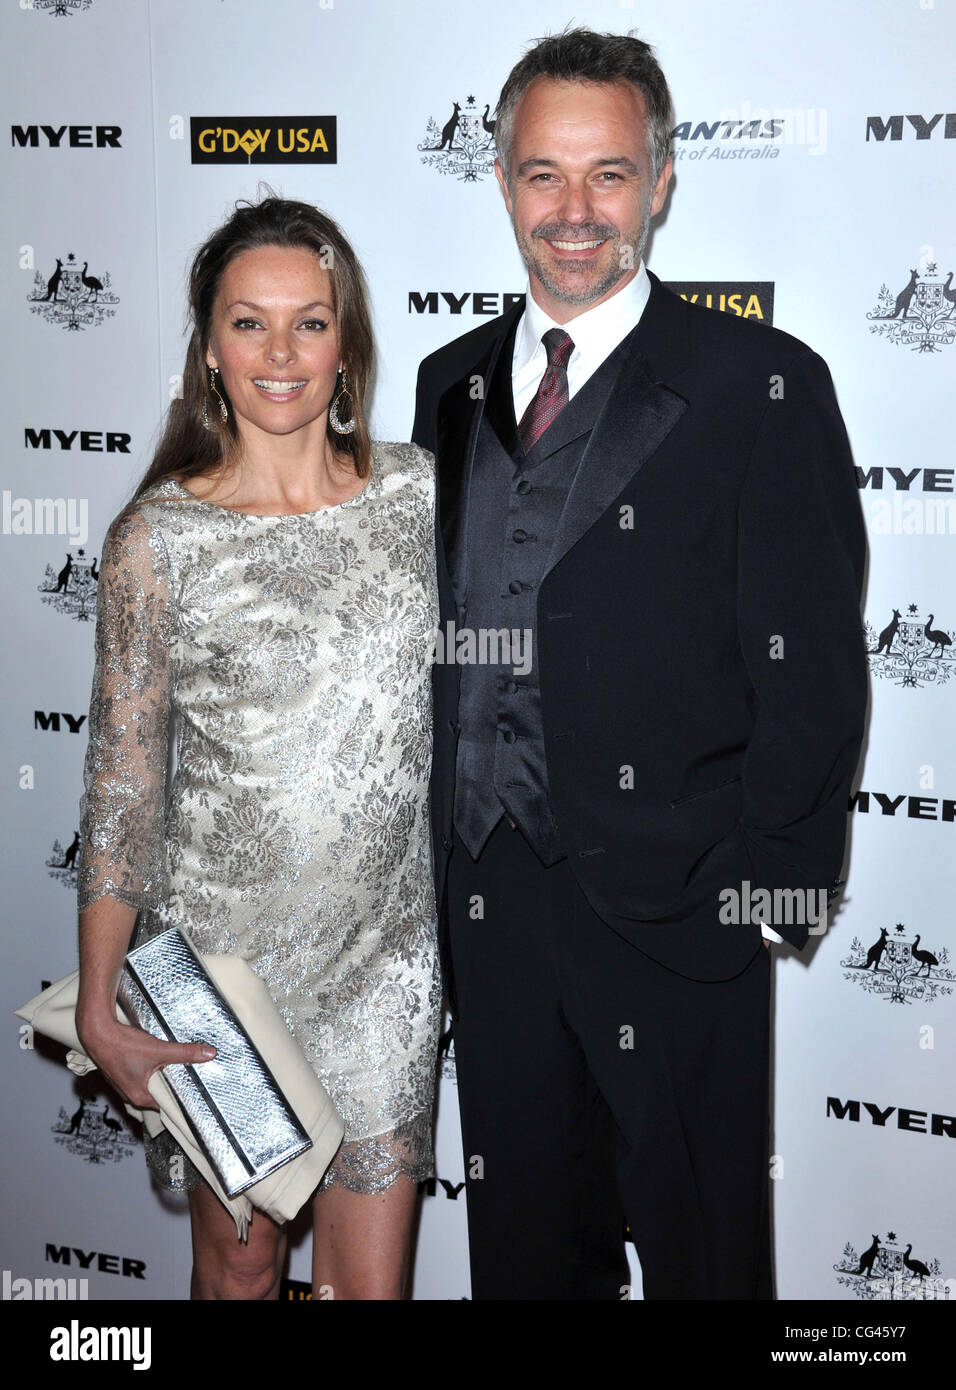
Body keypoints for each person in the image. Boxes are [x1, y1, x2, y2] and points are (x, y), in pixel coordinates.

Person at [413, 29, 867, 1299]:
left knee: (706, 1264)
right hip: (489, 903)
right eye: (541, 175)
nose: (573, 212)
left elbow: (815, 663)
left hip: (681, 916)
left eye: (607, 175)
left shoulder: (759, 383)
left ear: (660, 182)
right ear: (499, 179)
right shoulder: (447, 389)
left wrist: (767, 894)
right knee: (523, 1262)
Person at [75, 196, 441, 1301]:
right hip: (226, 979)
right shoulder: (156, 540)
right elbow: (123, 783)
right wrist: (100, 1001)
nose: (280, 353)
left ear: (347, 347)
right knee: (236, 1274)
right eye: (248, 323)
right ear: (207, 350)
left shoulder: (416, 493)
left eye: (309, 323)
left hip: (386, 967)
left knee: (365, 1294)